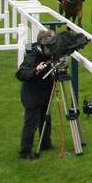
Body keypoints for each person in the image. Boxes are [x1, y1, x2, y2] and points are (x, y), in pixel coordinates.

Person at [16, 28, 59, 160]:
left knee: (46, 120)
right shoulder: (33, 56)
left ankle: (46, 143)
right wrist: (36, 69)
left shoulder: (46, 54)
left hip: (44, 94)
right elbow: (21, 73)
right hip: (33, 97)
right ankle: (25, 152)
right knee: (31, 124)